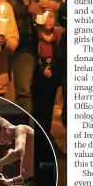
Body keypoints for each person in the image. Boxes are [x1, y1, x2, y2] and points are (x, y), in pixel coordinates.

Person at [33, 10, 66, 140]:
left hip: (52, 78)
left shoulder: (59, 35)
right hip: (37, 77)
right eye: (45, 17)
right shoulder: (34, 35)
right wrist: (41, 69)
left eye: (51, 17)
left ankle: (45, 134)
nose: (48, 20)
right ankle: (38, 133)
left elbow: (61, 56)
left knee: (48, 108)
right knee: (38, 108)